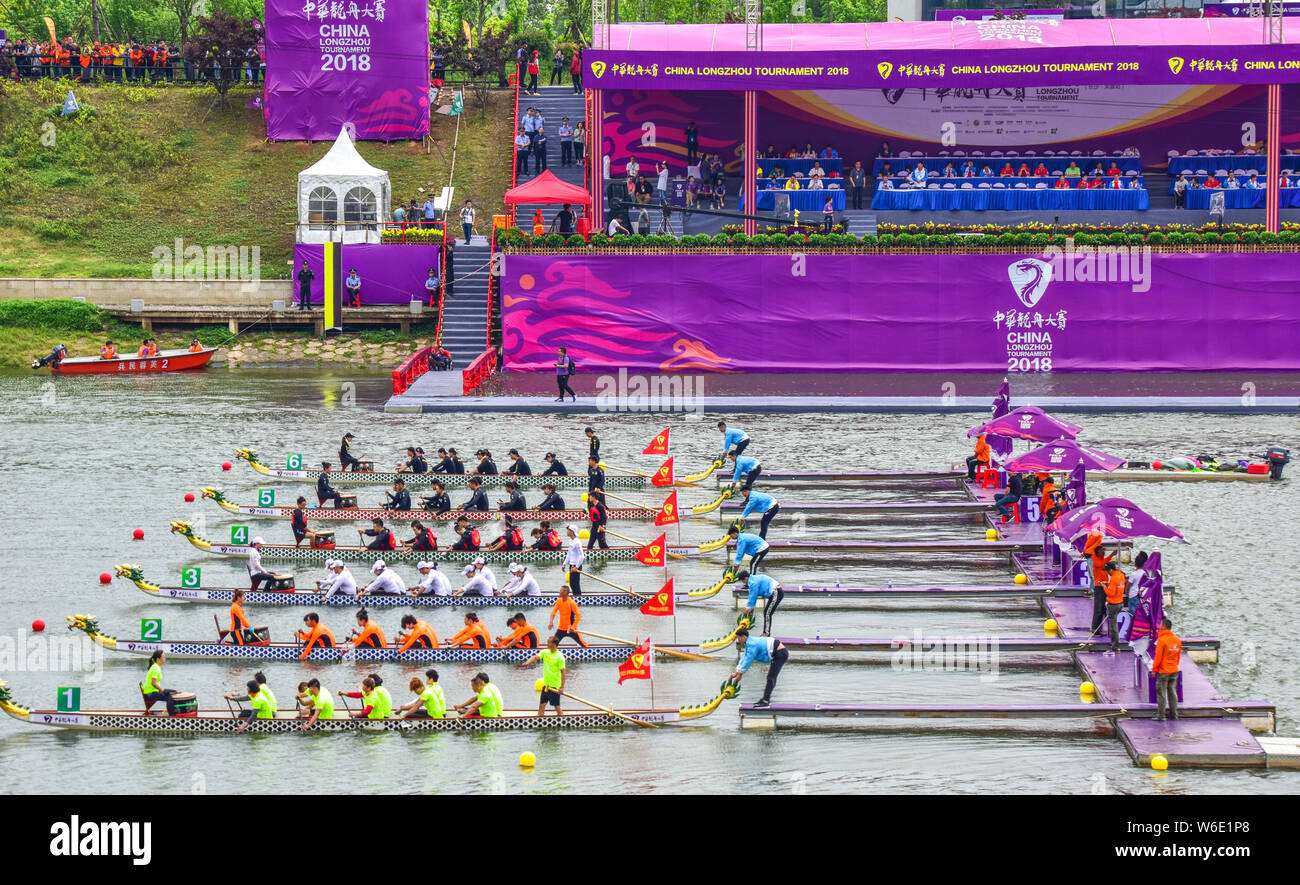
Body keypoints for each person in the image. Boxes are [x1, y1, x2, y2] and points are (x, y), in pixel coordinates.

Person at [728, 628, 787, 708]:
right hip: (777, 653)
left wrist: (741, 673)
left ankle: (765, 700)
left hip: (780, 653)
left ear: (744, 637)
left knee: (771, 677)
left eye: (738, 638)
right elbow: (744, 657)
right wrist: (737, 671)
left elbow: (749, 659)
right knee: (771, 677)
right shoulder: (749, 642)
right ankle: (765, 700)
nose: (738, 641)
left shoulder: (752, 644)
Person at [526, 635, 566, 716]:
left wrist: (561, 687)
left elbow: (563, 672)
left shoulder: (559, 657)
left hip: (555, 686)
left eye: (549, 643)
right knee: (542, 705)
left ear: (554, 644)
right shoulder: (545, 652)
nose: (547, 644)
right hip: (546, 685)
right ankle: (539, 720)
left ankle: (563, 719)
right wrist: (527, 663)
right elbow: (535, 657)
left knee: (556, 706)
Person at [1085, 530, 1115, 636]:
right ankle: (1094, 628)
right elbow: (1103, 562)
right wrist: (1111, 555)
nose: (1104, 552)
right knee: (1098, 608)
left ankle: (1098, 628)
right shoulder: (1096, 560)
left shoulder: (1100, 559)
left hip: (1104, 586)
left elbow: (1105, 562)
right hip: (1099, 587)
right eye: (1102, 551)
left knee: (1102, 608)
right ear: (1097, 552)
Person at [1152, 616, 1182, 721]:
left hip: (1163, 671)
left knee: (1161, 693)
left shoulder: (1162, 640)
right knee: (1173, 692)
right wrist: (1174, 666)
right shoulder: (1177, 640)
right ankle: (1174, 714)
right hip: (1174, 670)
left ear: (1164, 626)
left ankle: (1161, 715)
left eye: (1160, 625)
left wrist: (1154, 670)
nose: (1159, 627)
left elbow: (1158, 657)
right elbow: (1178, 657)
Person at [1101, 561, 1127, 654]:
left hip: (1113, 604)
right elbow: (1116, 588)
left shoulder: (1113, 578)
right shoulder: (1121, 576)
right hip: (1120, 602)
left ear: (1111, 570)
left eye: (1108, 571)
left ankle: (1115, 647)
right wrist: (1108, 585)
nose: (1107, 573)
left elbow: (1111, 593)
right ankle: (1116, 646)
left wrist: (1104, 587)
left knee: (1113, 627)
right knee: (1114, 625)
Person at [141, 650, 178, 714]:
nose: (165, 658)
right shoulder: (156, 668)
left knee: (174, 692)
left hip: (152, 692)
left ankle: (172, 712)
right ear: (158, 659)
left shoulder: (156, 666)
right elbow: (153, 683)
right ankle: (172, 716)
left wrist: (162, 690)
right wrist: (162, 690)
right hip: (150, 693)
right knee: (170, 698)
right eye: (163, 657)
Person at [562, 524, 585, 596]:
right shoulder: (570, 541)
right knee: (572, 584)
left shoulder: (577, 542)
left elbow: (582, 556)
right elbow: (569, 554)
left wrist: (576, 567)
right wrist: (564, 564)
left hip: (576, 566)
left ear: (572, 531)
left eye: (568, 530)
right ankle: (576, 596)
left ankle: (578, 597)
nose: (567, 531)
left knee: (575, 584)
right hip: (571, 565)